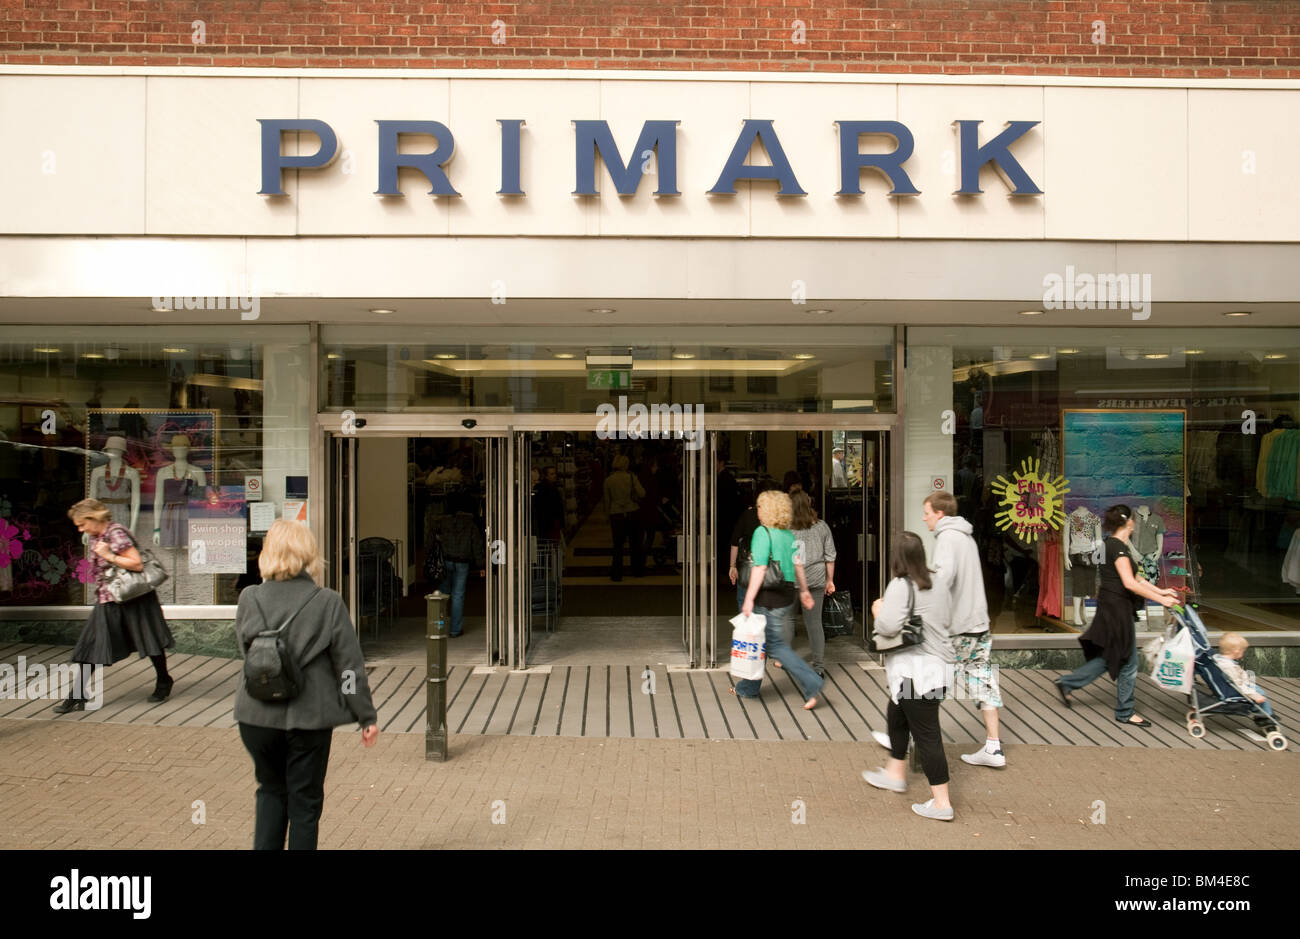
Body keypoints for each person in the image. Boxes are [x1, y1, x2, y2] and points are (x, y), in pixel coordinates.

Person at [235, 520, 378, 850]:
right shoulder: (326, 601)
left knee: (270, 791)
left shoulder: (249, 597)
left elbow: (248, 655)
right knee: (304, 802)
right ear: (308, 554)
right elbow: (348, 669)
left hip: (255, 717)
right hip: (309, 718)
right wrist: (365, 716)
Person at [1055, 505, 1179, 727]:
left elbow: (1137, 579)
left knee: (1110, 657)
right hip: (1117, 609)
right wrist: (1162, 601)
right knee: (1128, 662)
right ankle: (1124, 712)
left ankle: (1067, 682)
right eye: (1133, 519)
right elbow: (1129, 582)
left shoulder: (1113, 545)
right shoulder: (1117, 548)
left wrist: (1161, 591)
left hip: (1113, 607)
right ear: (1129, 522)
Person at [861, 531, 957, 821]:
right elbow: (946, 619)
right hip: (937, 669)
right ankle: (895, 773)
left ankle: (942, 803)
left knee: (928, 737)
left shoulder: (901, 585)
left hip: (916, 674)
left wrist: (877, 609)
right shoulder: (938, 581)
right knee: (896, 713)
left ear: (896, 559)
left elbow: (889, 626)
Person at [54, 498, 175, 713]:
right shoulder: (96, 536)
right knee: (91, 644)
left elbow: (136, 563)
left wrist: (109, 555)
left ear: (93, 518)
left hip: (132, 596)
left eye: (82, 524)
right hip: (108, 597)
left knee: (149, 640)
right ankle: (77, 694)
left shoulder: (115, 533)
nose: (80, 529)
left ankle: (164, 680)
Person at [924, 489, 1007, 768]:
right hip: (978, 623)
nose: (925, 519)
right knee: (982, 679)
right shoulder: (967, 537)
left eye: (927, 514)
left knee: (929, 681)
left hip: (957, 626)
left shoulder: (947, 538)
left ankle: (909, 738)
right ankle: (993, 747)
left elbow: (943, 580)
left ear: (940, 513)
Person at [729, 490, 823, 709]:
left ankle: (812, 682)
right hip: (785, 595)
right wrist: (805, 591)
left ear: (769, 510)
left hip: (768, 597)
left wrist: (749, 598)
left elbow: (760, 568)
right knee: (763, 642)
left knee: (776, 646)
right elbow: (798, 564)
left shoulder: (763, 533)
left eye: (761, 507)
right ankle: (749, 687)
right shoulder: (788, 534)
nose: (757, 510)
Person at [790, 490, 836, 678]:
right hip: (816, 580)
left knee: (787, 621)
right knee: (814, 624)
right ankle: (818, 666)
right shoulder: (821, 527)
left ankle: (785, 660)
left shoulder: (786, 528)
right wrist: (830, 580)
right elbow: (830, 556)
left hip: (791, 580)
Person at [434, 493, 486, 638]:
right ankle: (455, 630)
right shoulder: (470, 523)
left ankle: (438, 626)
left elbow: (432, 543)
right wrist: (481, 565)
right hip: (462, 562)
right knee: (458, 596)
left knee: (442, 595)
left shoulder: (441, 522)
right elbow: (477, 545)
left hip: (445, 561)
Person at [729, 479, 779, 611]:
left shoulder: (748, 515)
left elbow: (735, 541)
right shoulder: (779, 517)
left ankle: (747, 629)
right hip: (770, 568)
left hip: (747, 566)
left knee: (744, 601)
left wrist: (732, 566)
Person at [603, 453, 645, 580]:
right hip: (632, 512)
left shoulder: (608, 480)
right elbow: (642, 494)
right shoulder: (632, 477)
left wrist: (607, 516)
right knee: (635, 544)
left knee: (618, 546)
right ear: (626, 464)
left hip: (616, 515)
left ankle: (616, 574)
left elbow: (606, 500)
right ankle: (637, 571)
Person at [1214, 633, 1273, 718]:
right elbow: (1239, 685)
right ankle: (1266, 716)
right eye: (1243, 650)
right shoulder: (1229, 667)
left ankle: (1263, 711)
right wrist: (1255, 695)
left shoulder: (1218, 659)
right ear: (1236, 651)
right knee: (1260, 693)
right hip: (1237, 689)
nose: (1243, 653)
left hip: (1226, 687)